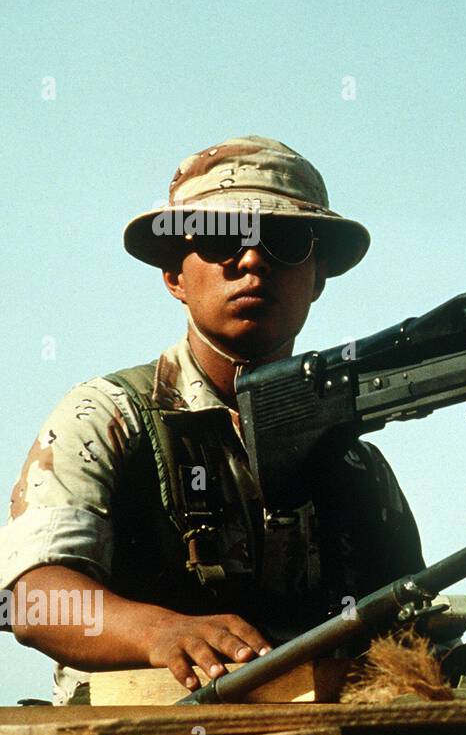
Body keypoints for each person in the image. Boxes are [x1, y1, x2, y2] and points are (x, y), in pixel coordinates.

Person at [0, 136, 423, 703]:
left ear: (317, 279)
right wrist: (159, 632)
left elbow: (408, 625)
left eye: (286, 240)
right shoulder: (107, 415)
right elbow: (33, 601)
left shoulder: (352, 462)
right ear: (175, 276)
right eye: (223, 238)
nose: (251, 260)